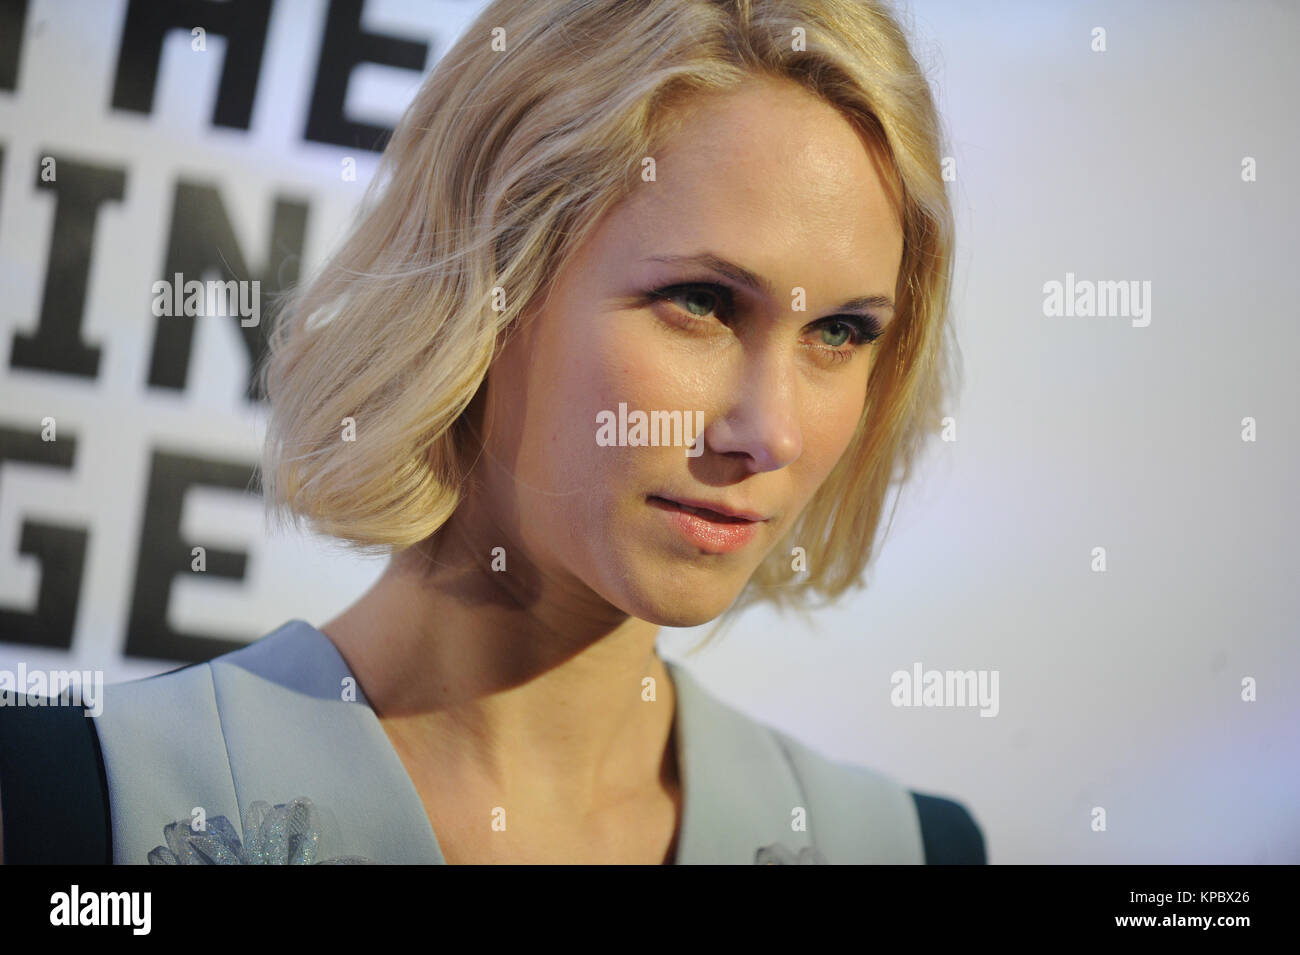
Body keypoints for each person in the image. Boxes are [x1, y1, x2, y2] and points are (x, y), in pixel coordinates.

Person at [0, 0, 980, 864]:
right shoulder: (72, 804)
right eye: (701, 301)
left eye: (842, 332)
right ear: (485, 285)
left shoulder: (907, 849)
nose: (768, 432)